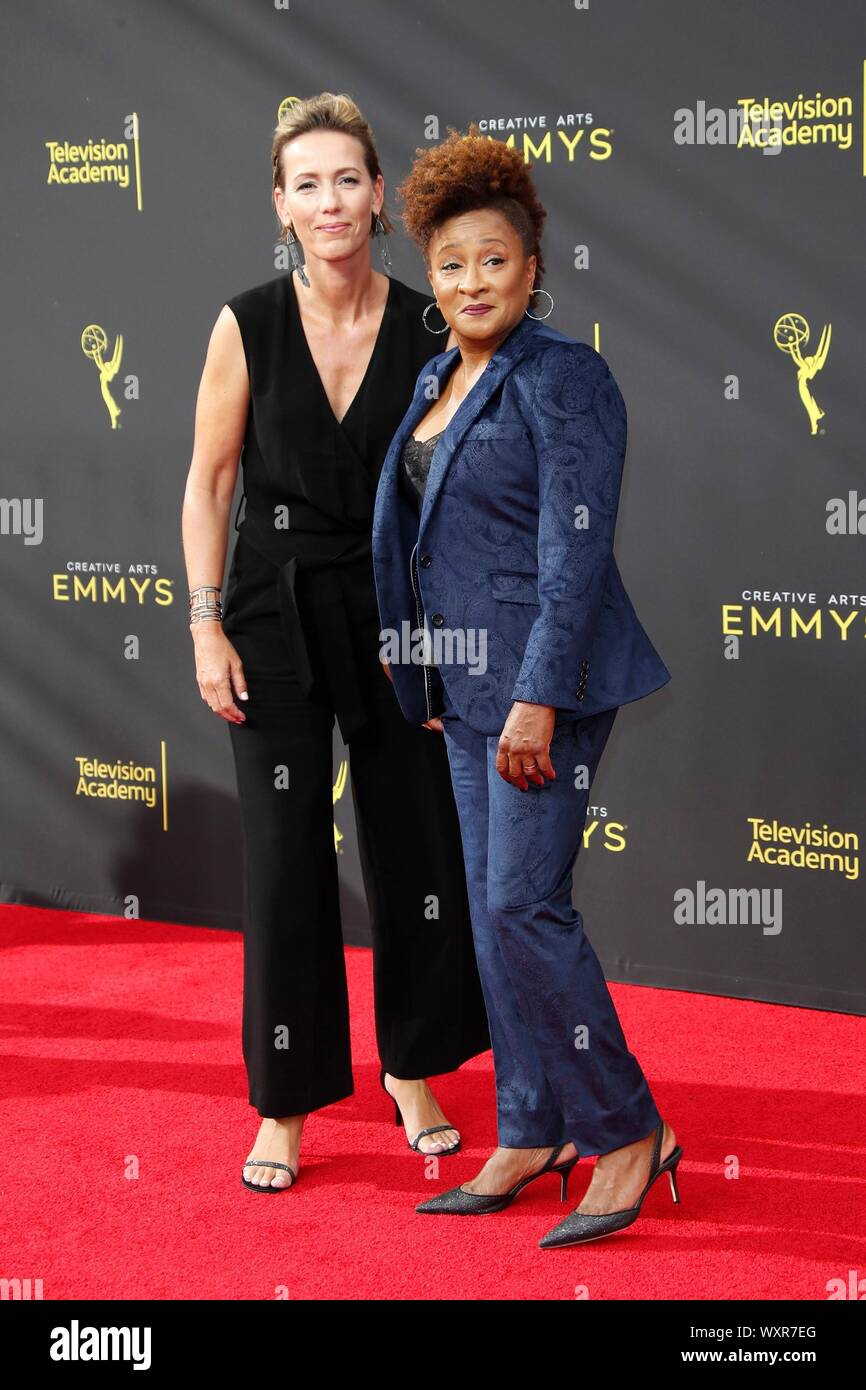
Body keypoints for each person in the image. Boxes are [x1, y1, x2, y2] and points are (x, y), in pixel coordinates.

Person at [371, 124, 682, 1247]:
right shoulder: (437, 373)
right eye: (449, 263)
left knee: (521, 905)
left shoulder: (565, 377)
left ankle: (625, 1125)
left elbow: (573, 551)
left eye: (491, 259)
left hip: (541, 687)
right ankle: (530, 1121)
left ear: (533, 265)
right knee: (494, 920)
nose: (469, 282)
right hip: (459, 686)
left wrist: (537, 697)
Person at [181, 94, 489, 1193]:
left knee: (413, 850)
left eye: (346, 180)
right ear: (280, 201)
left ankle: (411, 1067)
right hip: (270, 612)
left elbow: (456, 497)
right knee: (283, 863)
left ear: (378, 197)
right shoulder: (246, 323)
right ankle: (286, 1101)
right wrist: (205, 619)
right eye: (304, 183)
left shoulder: (427, 326)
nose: (328, 202)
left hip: (396, 619)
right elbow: (210, 478)